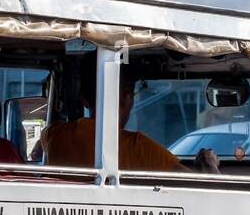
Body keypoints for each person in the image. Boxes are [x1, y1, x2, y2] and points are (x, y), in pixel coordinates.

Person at [40, 63, 220, 174]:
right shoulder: (139, 147)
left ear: (84, 100)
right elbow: (202, 191)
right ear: (128, 97)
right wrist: (210, 165)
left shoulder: (53, 135)